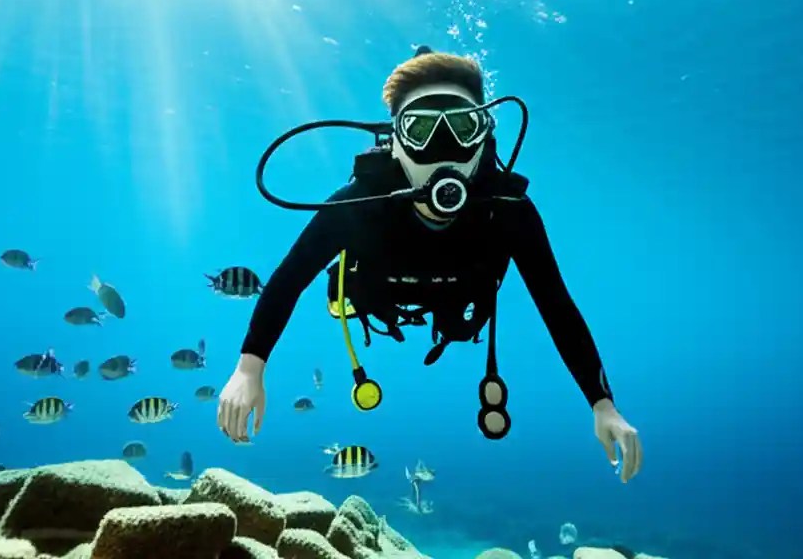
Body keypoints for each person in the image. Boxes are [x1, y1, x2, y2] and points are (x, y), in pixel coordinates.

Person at [216, 47, 643, 482]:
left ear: (483, 136)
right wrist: (249, 368)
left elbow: (556, 304)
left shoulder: (508, 210)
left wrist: (602, 402)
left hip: (461, 306)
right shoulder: (355, 207)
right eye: (420, 129)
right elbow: (288, 280)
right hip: (378, 299)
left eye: (462, 125)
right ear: (396, 142)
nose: (444, 149)